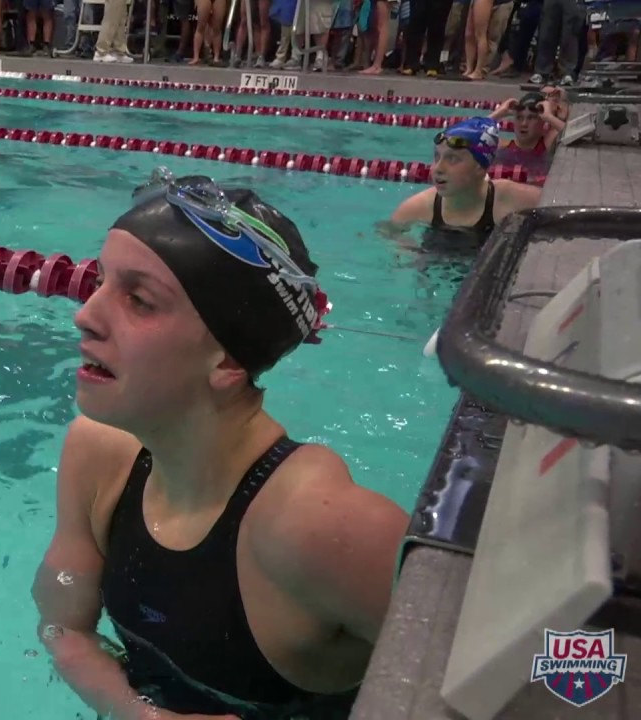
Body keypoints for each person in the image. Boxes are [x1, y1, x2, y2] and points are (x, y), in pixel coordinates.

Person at [31, 168, 411, 720]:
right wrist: (139, 714)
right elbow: (62, 624)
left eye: (139, 299)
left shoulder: (323, 529)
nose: (84, 315)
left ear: (228, 360)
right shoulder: (97, 453)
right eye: (100, 281)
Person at [389, 117, 542, 253]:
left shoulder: (509, 198)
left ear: (480, 168)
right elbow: (389, 233)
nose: (438, 168)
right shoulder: (419, 207)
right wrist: (407, 250)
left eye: (452, 159)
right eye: (437, 157)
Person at [488, 89, 565, 181]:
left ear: (543, 121)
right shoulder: (501, 146)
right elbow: (467, 137)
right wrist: (498, 113)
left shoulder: (547, 144)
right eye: (519, 117)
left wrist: (549, 116)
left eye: (531, 118)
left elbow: (574, 134)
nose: (524, 123)